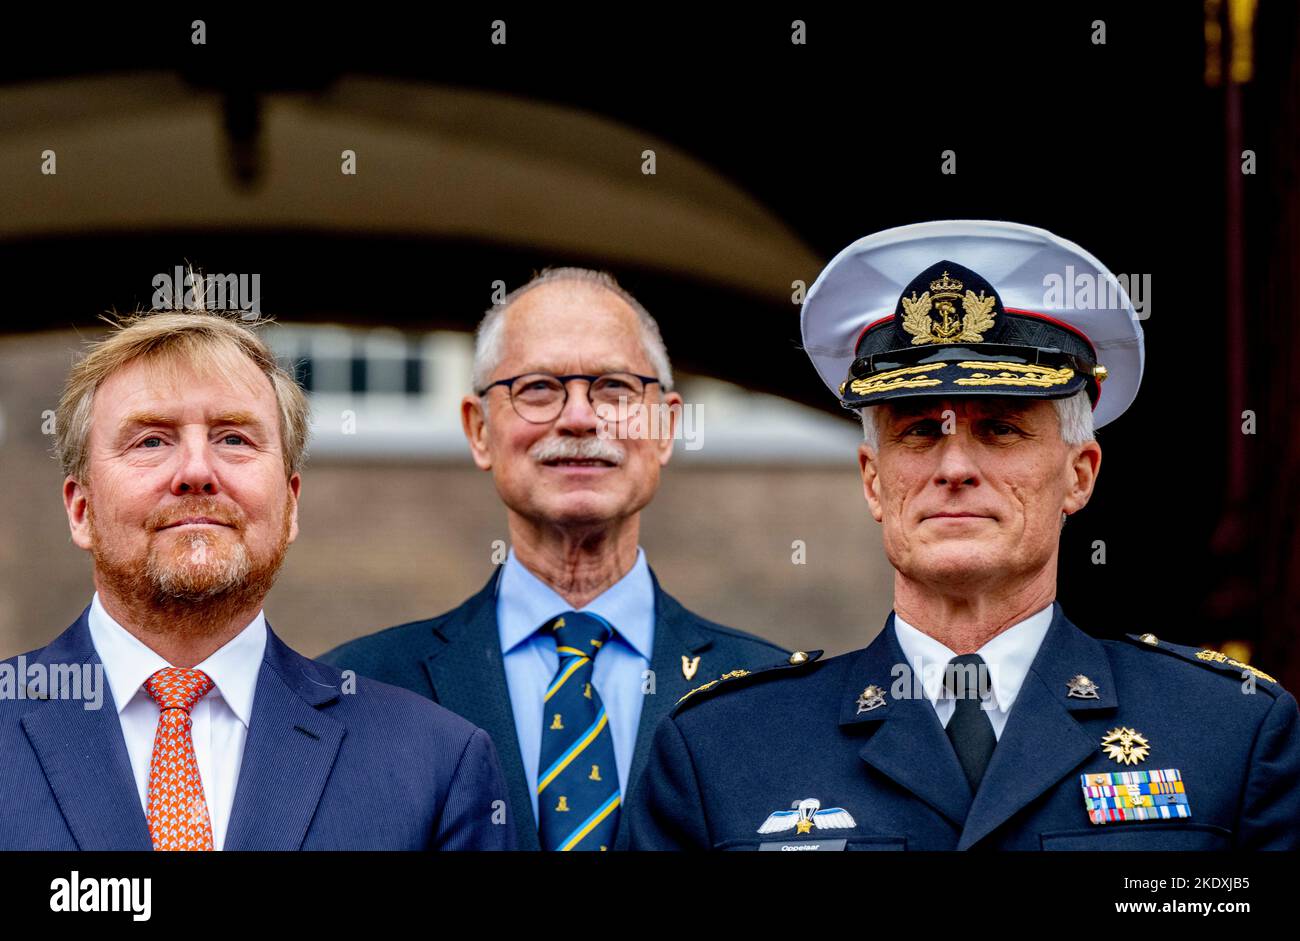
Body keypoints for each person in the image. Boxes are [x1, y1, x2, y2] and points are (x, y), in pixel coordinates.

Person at [627, 220, 1300, 850]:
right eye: (919, 430)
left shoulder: (1229, 735)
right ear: (872, 480)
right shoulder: (722, 751)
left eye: (1000, 428)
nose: (954, 467)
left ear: (1079, 474)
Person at [0, 310, 512, 850]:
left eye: (234, 438)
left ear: (290, 505)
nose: (196, 471)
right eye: (151, 441)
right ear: (81, 510)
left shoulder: (431, 763)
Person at [320, 268, 787, 851]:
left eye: (614, 387)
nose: (579, 417)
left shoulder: (773, 697)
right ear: (479, 430)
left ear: (666, 426)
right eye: (538, 387)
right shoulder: (360, 691)